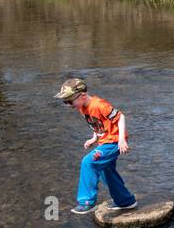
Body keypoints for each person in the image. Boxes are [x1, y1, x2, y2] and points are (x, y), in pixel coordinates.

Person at [53, 78, 136, 214]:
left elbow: (120, 117)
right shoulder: (82, 107)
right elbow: (97, 124)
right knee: (106, 172)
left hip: (113, 141)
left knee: (88, 162)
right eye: (65, 102)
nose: (68, 105)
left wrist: (121, 140)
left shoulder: (99, 105)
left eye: (69, 101)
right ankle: (125, 201)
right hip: (105, 141)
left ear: (83, 95)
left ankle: (87, 202)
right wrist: (94, 138)